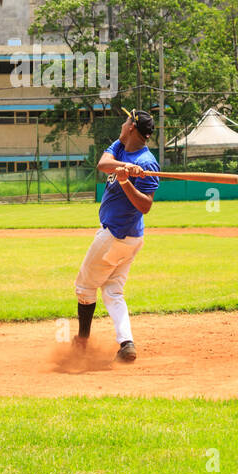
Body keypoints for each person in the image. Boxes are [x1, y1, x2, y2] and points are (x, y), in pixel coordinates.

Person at [73, 108, 160, 363]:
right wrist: (125, 167)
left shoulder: (147, 162)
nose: (123, 124)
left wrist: (126, 181)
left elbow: (145, 206)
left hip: (116, 236)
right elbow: (102, 164)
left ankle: (82, 342)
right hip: (128, 238)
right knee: (113, 291)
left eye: (126, 120)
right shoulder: (120, 146)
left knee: (85, 288)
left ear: (132, 126)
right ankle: (126, 343)